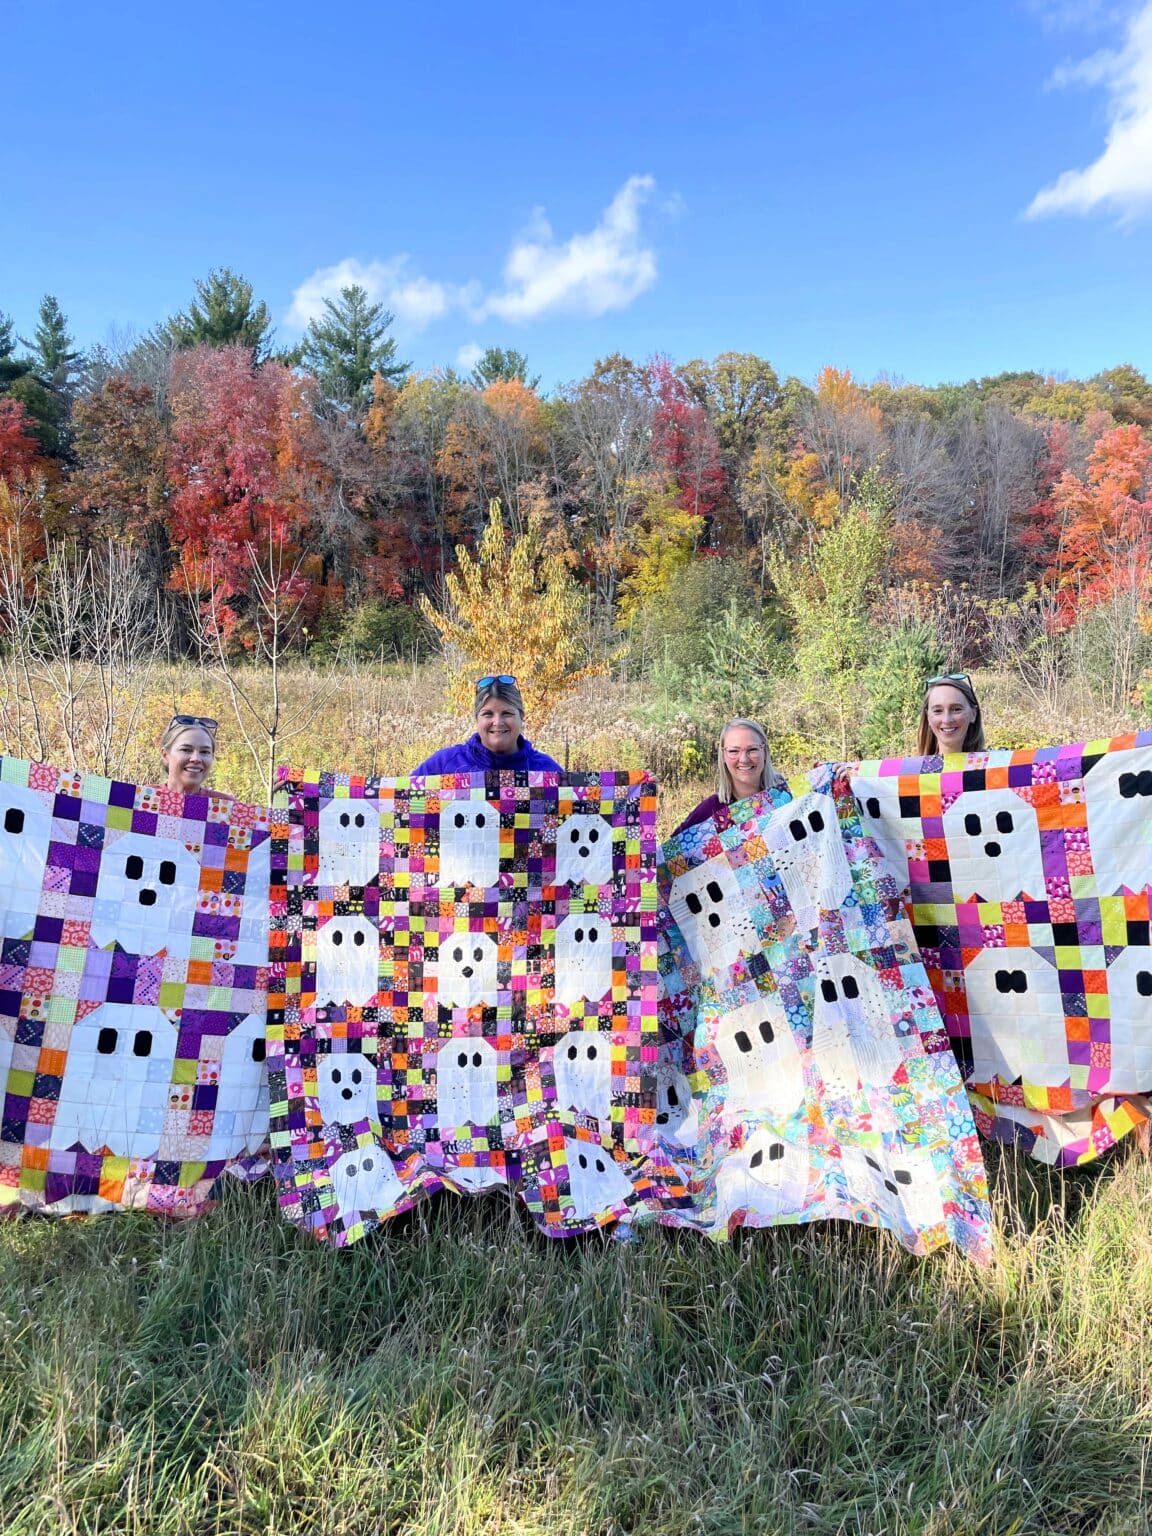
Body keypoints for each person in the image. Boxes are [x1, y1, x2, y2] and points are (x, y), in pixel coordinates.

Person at [413, 675, 564, 774]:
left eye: (507, 713)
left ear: (521, 716)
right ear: (476, 718)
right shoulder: (444, 764)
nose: (497, 722)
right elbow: (403, 806)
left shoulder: (547, 771)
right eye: (488, 714)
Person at [673, 718, 782, 836]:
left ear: (765, 752)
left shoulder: (788, 797)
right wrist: (649, 802)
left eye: (752, 749)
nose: (744, 759)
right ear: (723, 755)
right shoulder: (712, 810)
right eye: (734, 751)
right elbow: (669, 853)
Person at [160, 713, 234, 800]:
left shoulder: (225, 806)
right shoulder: (143, 798)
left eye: (204, 752)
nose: (196, 758)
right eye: (186, 750)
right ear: (165, 755)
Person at [915, 672, 985, 757]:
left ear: (973, 714)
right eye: (938, 711)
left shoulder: (997, 765)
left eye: (956, 709)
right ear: (927, 717)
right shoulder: (912, 769)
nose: (947, 720)